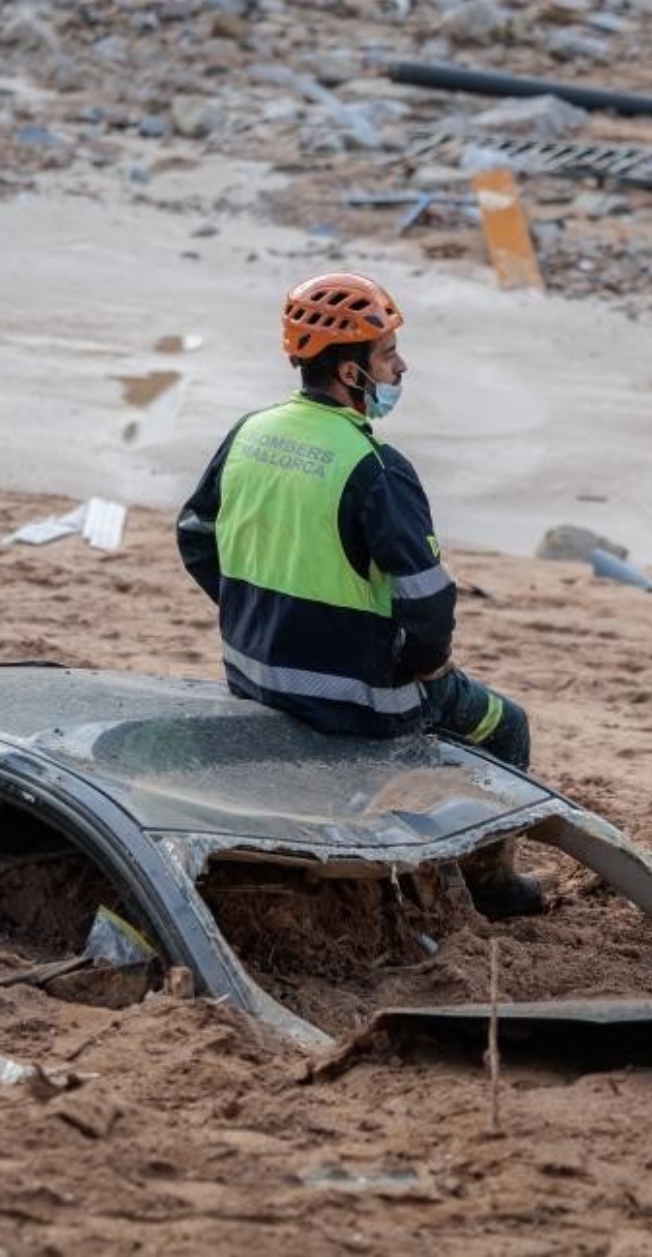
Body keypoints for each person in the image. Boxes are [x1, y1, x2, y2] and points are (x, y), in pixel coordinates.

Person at [176, 270, 541, 917]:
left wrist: (254, 611)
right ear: (351, 375)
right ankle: (493, 890)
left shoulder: (250, 433)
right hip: (359, 701)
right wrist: (427, 666)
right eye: (388, 354)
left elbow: (195, 535)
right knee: (505, 726)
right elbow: (427, 603)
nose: (401, 366)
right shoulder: (375, 468)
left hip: (252, 674)